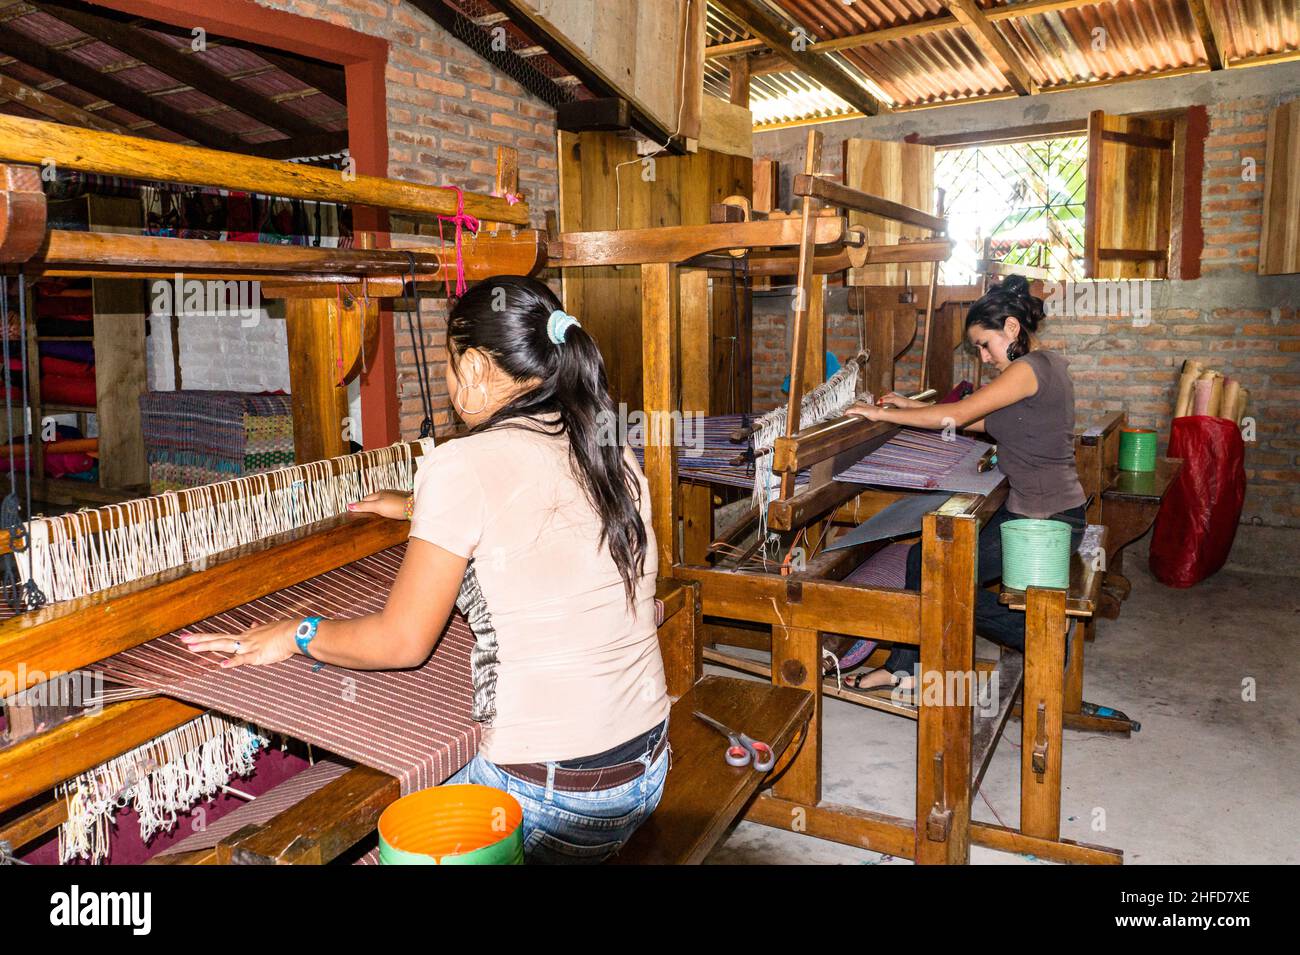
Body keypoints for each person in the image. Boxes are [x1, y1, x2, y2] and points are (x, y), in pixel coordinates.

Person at [181, 275, 670, 863]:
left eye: (446, 362)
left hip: (549, 798)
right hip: (645, 770)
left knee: (359, 847)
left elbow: (402, 642)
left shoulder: (462, 464)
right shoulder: (606, 447)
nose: (445, 379)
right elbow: (539, 504)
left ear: (476, 367)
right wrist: (417, 506)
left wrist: (299, 631)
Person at [841, 274, 1087, 695]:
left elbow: (959, 415)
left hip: (1047, 522)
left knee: (941, 578)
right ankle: (907, 667)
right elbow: (985, 420)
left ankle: (1038, 630)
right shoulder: (1045, 368)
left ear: (1011, 328)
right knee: (927, 561)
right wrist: (909, 404)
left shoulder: (1027, 370)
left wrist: (885, 416)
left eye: (984, 344)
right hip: (1035, 510)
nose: (984, 356)